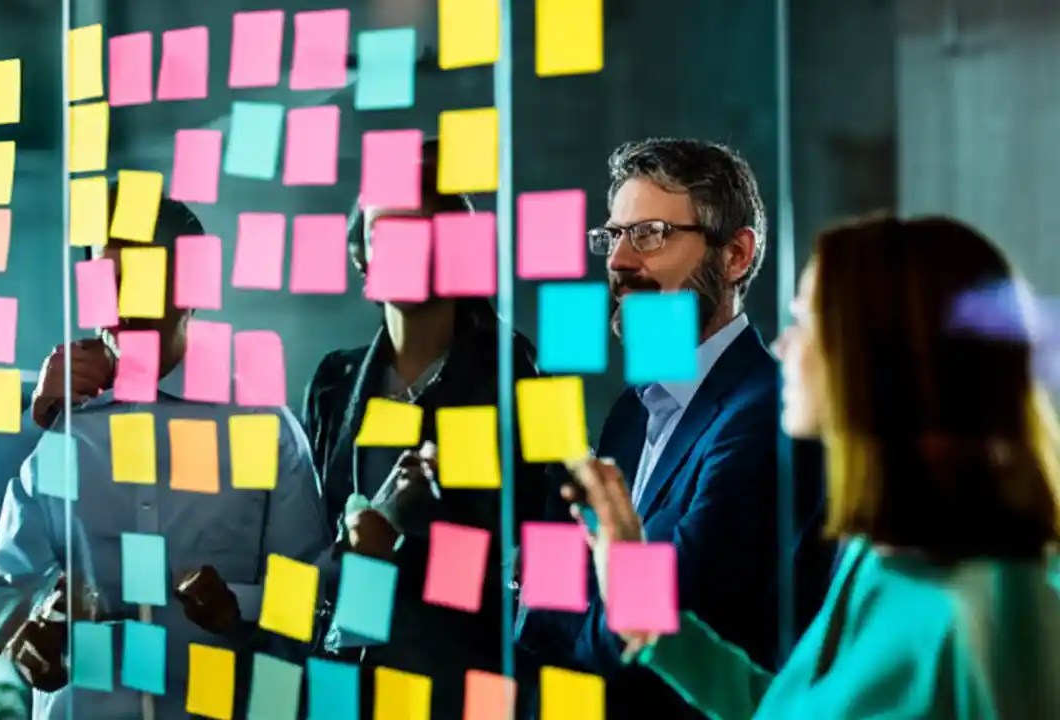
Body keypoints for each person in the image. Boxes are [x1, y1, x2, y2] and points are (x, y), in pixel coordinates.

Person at [571, 216, 1060, 718]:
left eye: (805, 322)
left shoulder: (986, 603)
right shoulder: (875, 558)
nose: (785, 348)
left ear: (878, 354)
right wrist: (640, 604)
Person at [517, 138, 830, 716]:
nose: (618, 262)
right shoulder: (631, 414)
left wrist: (587, 614)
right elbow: (555, 605)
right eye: (613, 236)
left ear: (735, 257)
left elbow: (665, 622)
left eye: (650, 234)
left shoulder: (767, 416)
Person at [0, 192, 333, 719]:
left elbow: (315, 600)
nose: (116, 306)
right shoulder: (62, 426)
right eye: (103, 283)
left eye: (138, 280)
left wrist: (237, 609)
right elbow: (13, 587)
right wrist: (34, 627)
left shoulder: (262, 430)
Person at [301, 139, 547, 718]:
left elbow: (537, 562)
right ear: (361, 254)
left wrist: (404, 544)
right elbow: (309, 546)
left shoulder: (515, 377)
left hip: (461, 688)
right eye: (388, 234)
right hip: (348, 686)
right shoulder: (335, 383)